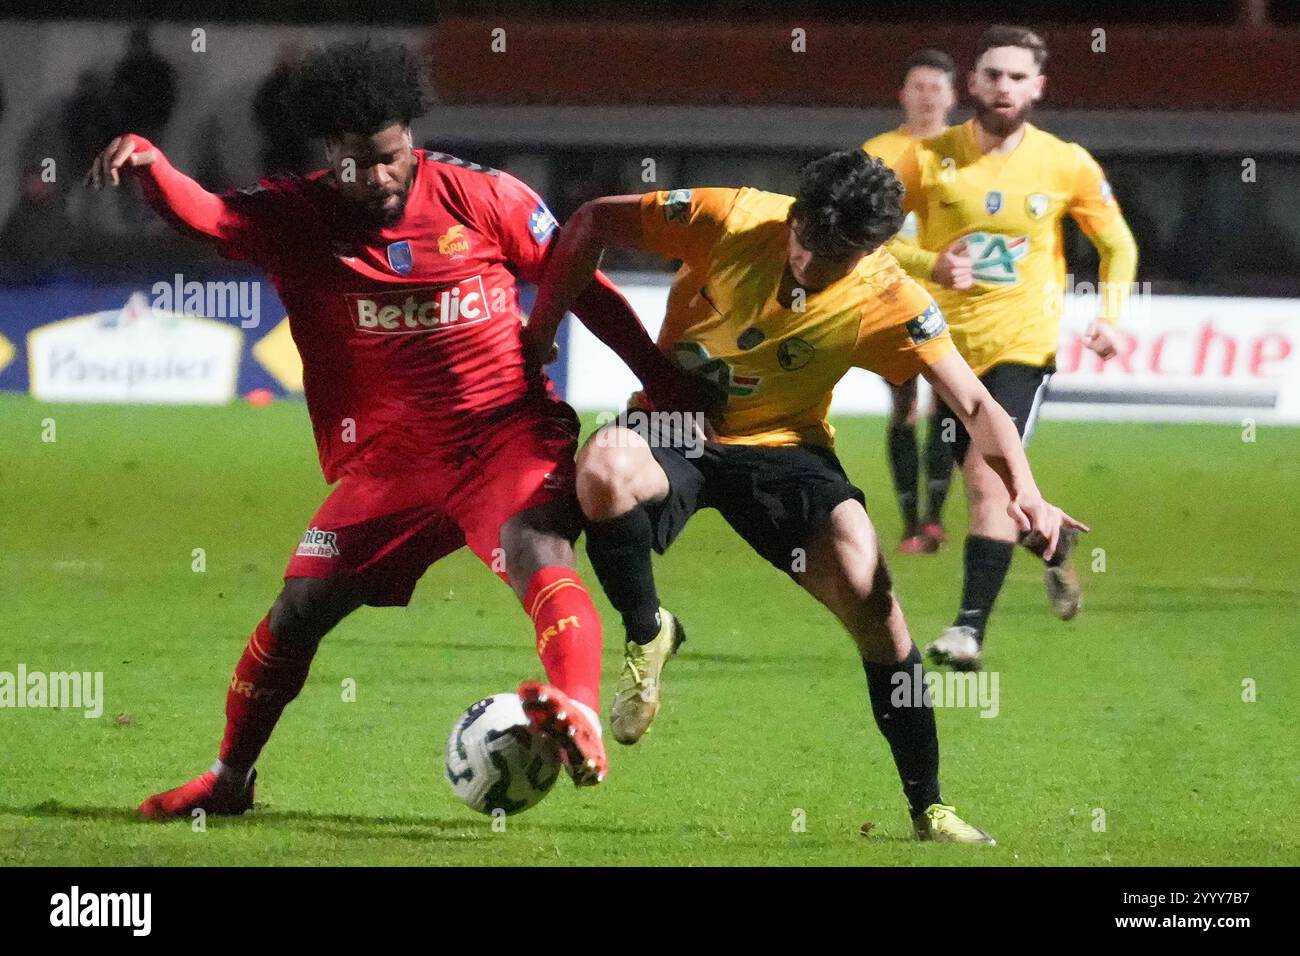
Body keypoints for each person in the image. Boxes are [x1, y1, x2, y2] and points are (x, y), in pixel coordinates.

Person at [85, 39, 702, 817]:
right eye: (355, 162)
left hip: (500, 438)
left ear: (409, 134)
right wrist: (151, 167)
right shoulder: (298, 215)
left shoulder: (483, 196)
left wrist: (660, 376)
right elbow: (208, 217)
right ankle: (230, 779)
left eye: (389, 156)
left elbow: (581, 281)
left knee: (533, 545)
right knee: (295, 615)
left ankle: (576, 706)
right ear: (327, 154)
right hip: (387, 466)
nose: (375, 177)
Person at [523, 150, 1087, 843]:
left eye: (836, 257)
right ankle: (649, 632)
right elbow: (587, 222)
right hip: (676, 426)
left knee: (875, 603)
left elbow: (974, 403)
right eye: (807, 241)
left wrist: (1026, 491)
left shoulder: (894, 300)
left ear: (875, 249)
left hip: (786, 448)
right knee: (605, 463)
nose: (810, 265)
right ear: (795, 214)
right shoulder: (728, 216)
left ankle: (929, 808)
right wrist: (540, 332)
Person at [889, 26, 1138, 670]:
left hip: (1022, 345)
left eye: (1018, 77)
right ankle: (1051, 547)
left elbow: (1118, 244)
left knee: (982, 478)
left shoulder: (1066, 162)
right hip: (944, 349)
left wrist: (1111, 316)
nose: (1004, 87)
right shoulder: (926, 158)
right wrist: (929, 263)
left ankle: (968, 630)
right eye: (993, 75)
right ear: (971, 84)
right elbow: (871, 233)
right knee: (990, 484)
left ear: (1038, 88)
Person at [863, 48, 959, 554]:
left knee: (946, 403)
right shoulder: (878, 152)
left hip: (957, 303)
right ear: (902, 94)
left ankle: (934, 518)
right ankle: (908, 522)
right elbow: (866, 229)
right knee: (903, 406)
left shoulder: (966, 153)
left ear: (952, 96)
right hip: (893, 298)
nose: (926, 97)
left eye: (935, 88)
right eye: (917, 87)